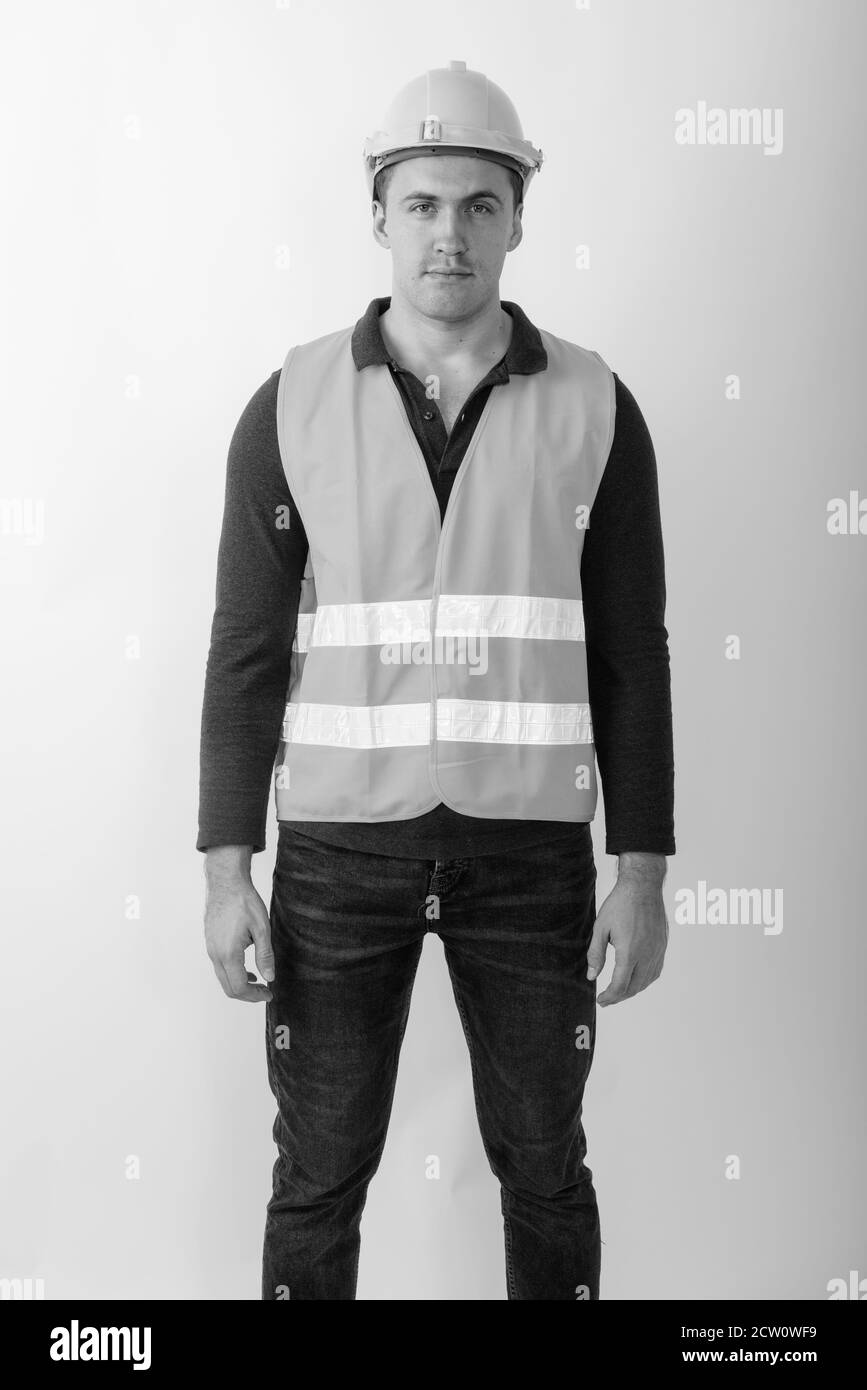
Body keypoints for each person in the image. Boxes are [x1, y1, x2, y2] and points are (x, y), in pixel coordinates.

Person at [198, 60, 675, 1301]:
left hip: (530, 854)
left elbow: (634, 653)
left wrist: (644, 872)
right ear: (378, 215)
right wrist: (221, 869)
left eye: (478, 203)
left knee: (545, 1167)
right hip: (336, 856)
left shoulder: (596, 406)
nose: (449, 235)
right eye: (422, 204)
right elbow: (246, 650)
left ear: (519, 216)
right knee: (317, 1174)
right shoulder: (290, 403)